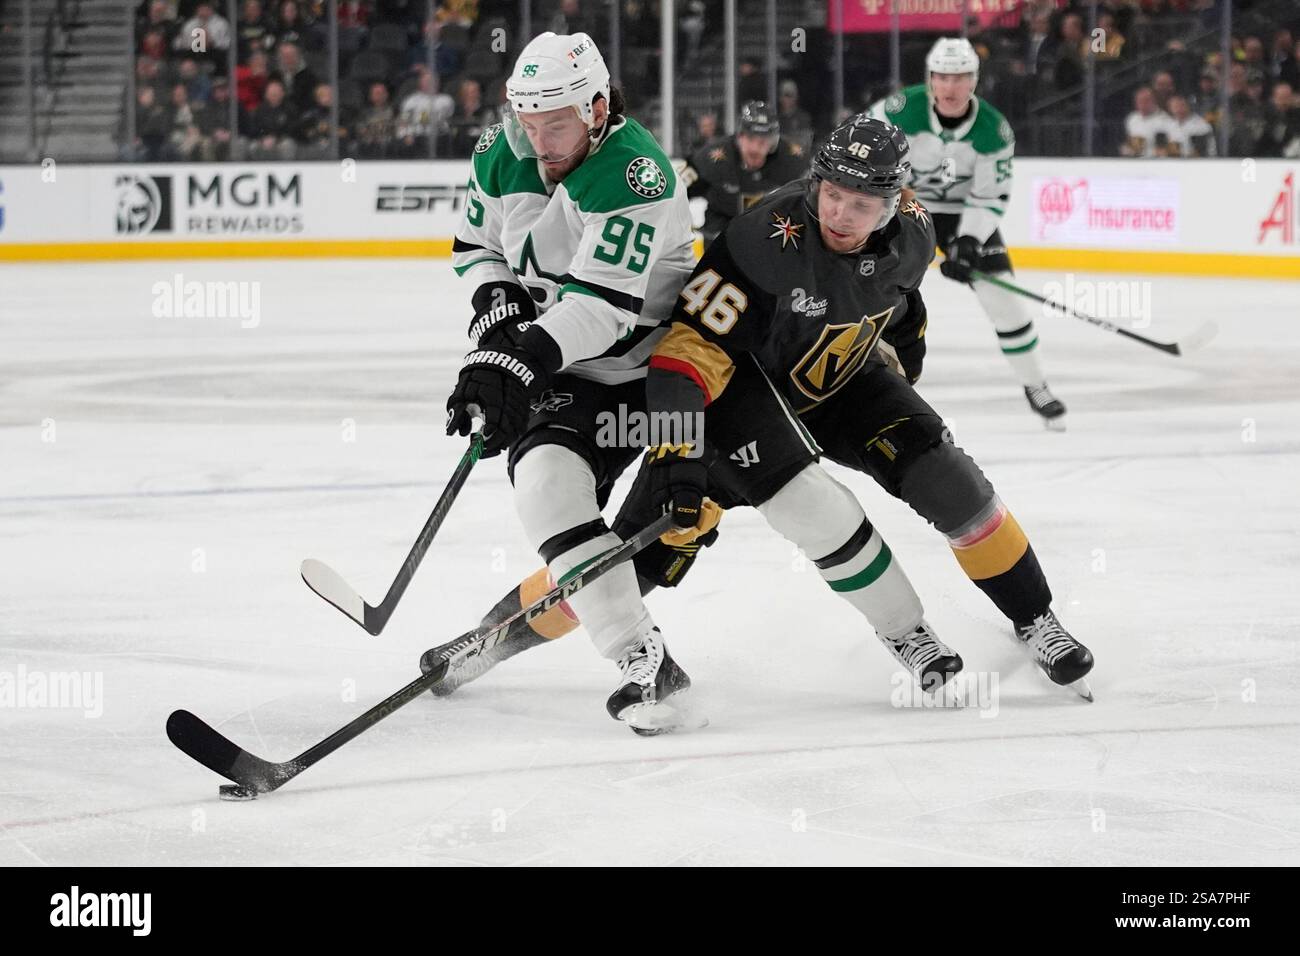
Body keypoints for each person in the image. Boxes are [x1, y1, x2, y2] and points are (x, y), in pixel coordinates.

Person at [426, 116, 1094, 708]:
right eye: (831, 194)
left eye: (861, 204)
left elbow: (905, 305)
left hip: (849, 388)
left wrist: (908, 365)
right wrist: (678, 454)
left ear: (896, 204)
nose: (840, 214)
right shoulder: (757, 244)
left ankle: (1027, 621)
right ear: (815, 182)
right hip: (739, 407)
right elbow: (685, 357)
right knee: (620, 567)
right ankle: (488, 642)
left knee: (954, 487)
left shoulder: (915, 234)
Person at [430, 34, 962, 731]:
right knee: (548, 489)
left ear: (594, 108)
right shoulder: (501, 151)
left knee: (805, 501)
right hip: (575, 373)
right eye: (526, 124)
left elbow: (601, 308)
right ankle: (640, 657)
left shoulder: (637, 176)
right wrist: (496, 314)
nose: (536, 141)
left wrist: (518, 356)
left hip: (676, 364)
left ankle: (907, 629)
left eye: (553, 124)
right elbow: (477, 249)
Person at [870, 37, 1067, 429]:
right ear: (931, 79)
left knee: (1004, 299)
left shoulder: (994, 129)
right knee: (874, 287)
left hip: (963, 214)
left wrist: (969, 241)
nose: (950, 87)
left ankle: (1036, 384)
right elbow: (868, 153)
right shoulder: (899, 110)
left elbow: (990, 194)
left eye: (959, 77)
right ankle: (865, 381)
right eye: (942, 77)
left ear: (973, 80)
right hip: (904, 207)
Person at [677, 100, 810, 246]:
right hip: (721, 235)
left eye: (762, 141)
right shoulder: (710, 158)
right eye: (750, 138)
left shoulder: (793, 159)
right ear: (739, 136)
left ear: (773, 142)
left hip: (775, 235)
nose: (754, 148)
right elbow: (675, 192)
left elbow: (815, 205)